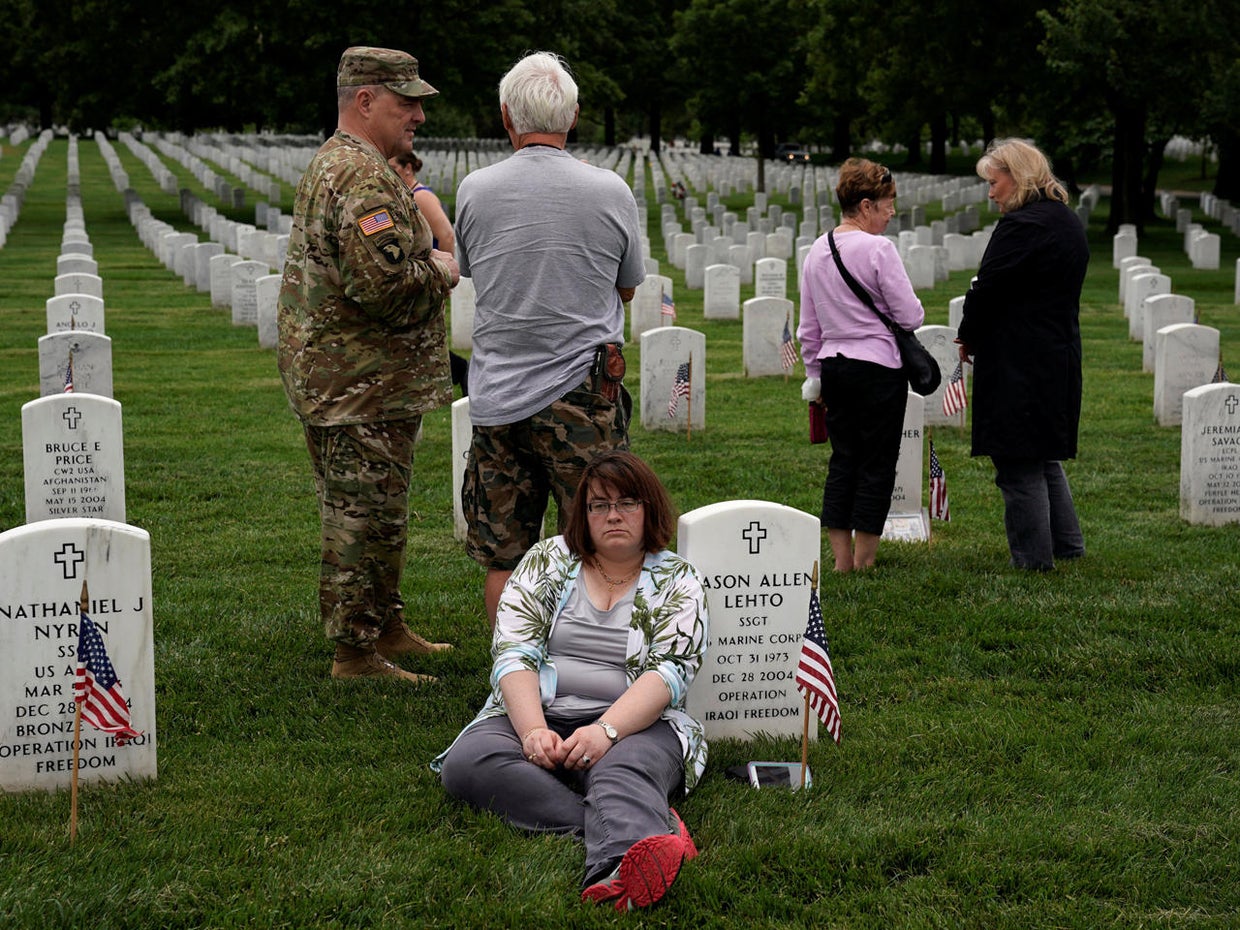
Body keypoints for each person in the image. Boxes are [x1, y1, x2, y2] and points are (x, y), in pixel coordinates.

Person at [432, 451, 707, 911]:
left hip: (635, 723)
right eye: (599, 505)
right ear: (583, 513)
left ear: (651, 510)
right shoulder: (549, 559)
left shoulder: (679, 578)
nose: (613, 515)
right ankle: (642, 826)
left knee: (620, 767)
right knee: (468, 762)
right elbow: (513, 651)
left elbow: (669, 674)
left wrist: (605, 733)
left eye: (628, 503)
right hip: (541, 710)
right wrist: (532, 730)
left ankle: (616, 870)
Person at [277, 46, 459, 682]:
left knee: (380, 506)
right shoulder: (360, 176)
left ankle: (385, 624)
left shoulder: (349, 163)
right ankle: (355, 653)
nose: (418, 116)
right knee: (361, 513)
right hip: (359, 382)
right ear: (365, 100)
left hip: (360, 378)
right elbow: (383, 285)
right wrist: (440, 268)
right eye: (406, 102)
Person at [455, 51, 646, 625]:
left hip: (498, 396)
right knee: (602, 540)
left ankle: (508, 678)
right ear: (575, 115)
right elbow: (629, 286)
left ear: (507, 116)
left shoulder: (475, 189)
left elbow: (472, 270)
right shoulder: (610, 190)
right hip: (583, 397)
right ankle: (600, 669)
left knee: (505, 555)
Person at [956, 138, 1088, 571]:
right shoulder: (1066, 221)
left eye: (994, 183)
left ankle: (1033, 560)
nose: (990, 192)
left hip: (1019, 359)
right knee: (1042, 452)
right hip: (1057, 353)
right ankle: (1068, 545)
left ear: (1018, 176)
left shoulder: (1021, 226)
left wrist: (968, 335)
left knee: (1017, 460)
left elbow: (987, 288)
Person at [797, 158, 925, 572]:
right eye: (888, 204)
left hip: (835, 368)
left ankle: (841, 560)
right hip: (878, 369)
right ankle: (866, 558)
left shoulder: (817, 250)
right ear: (866, 205)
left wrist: (813, 376)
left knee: (844, 459)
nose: (891, 213)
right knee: (877, 461)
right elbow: (910, 316)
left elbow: (808, 325)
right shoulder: (878, 249)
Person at [389, 149, 469, 395]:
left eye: (393, 167)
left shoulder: (420, 197)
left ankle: (462, 371)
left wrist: (446, 279)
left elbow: (445, 234)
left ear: (407, 168)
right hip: (418, 274)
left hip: (430, 276)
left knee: (419, 339)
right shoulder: (403, 194)